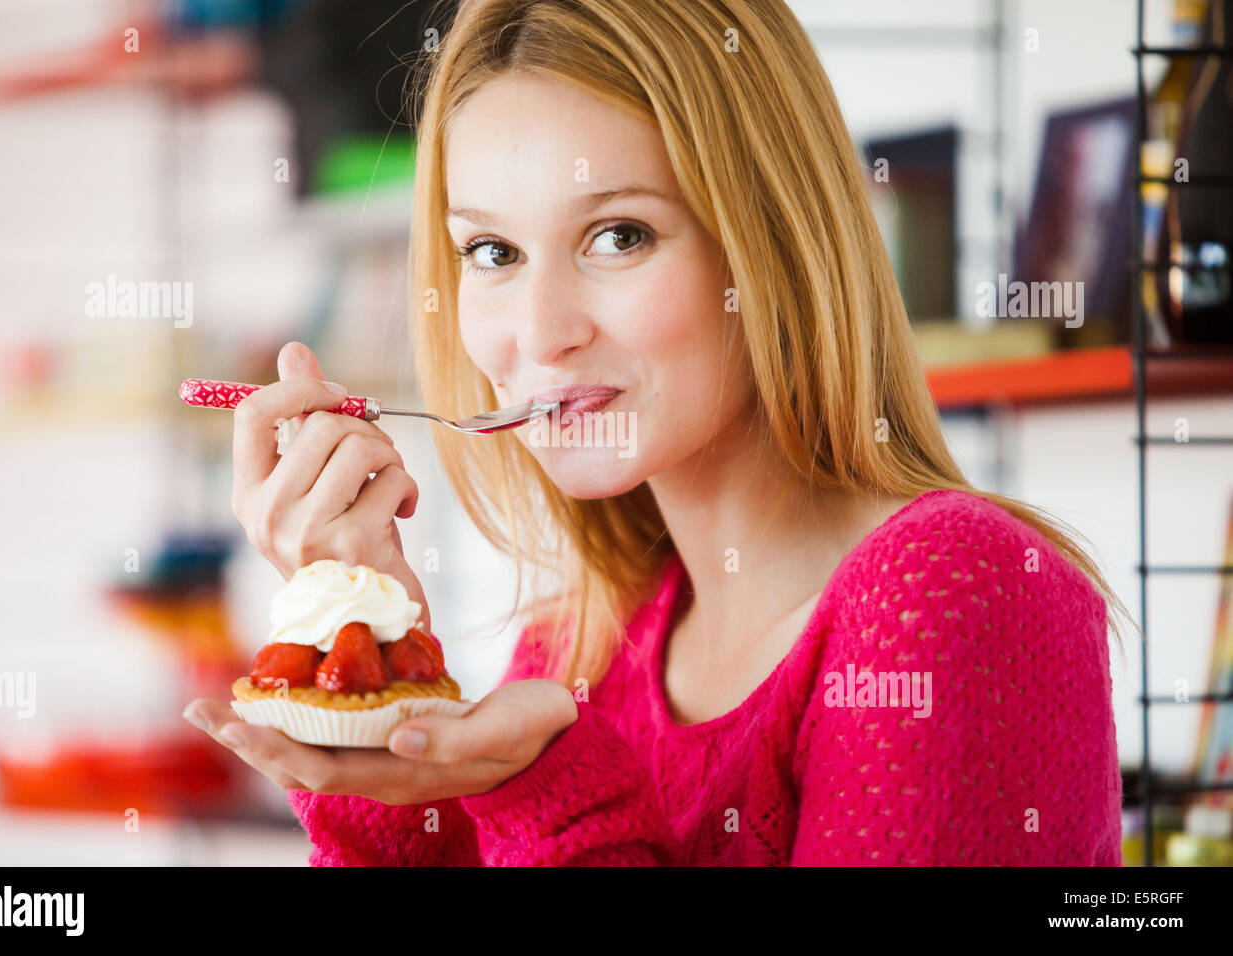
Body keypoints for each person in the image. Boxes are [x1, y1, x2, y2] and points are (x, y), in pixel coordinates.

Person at [184, 0, 1130, 865]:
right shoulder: (574, 653)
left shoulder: (952, 592)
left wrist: (554, 795)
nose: (541, 330)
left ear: (773, 243)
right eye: (493, 252)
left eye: (618, 236)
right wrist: (376, 654)